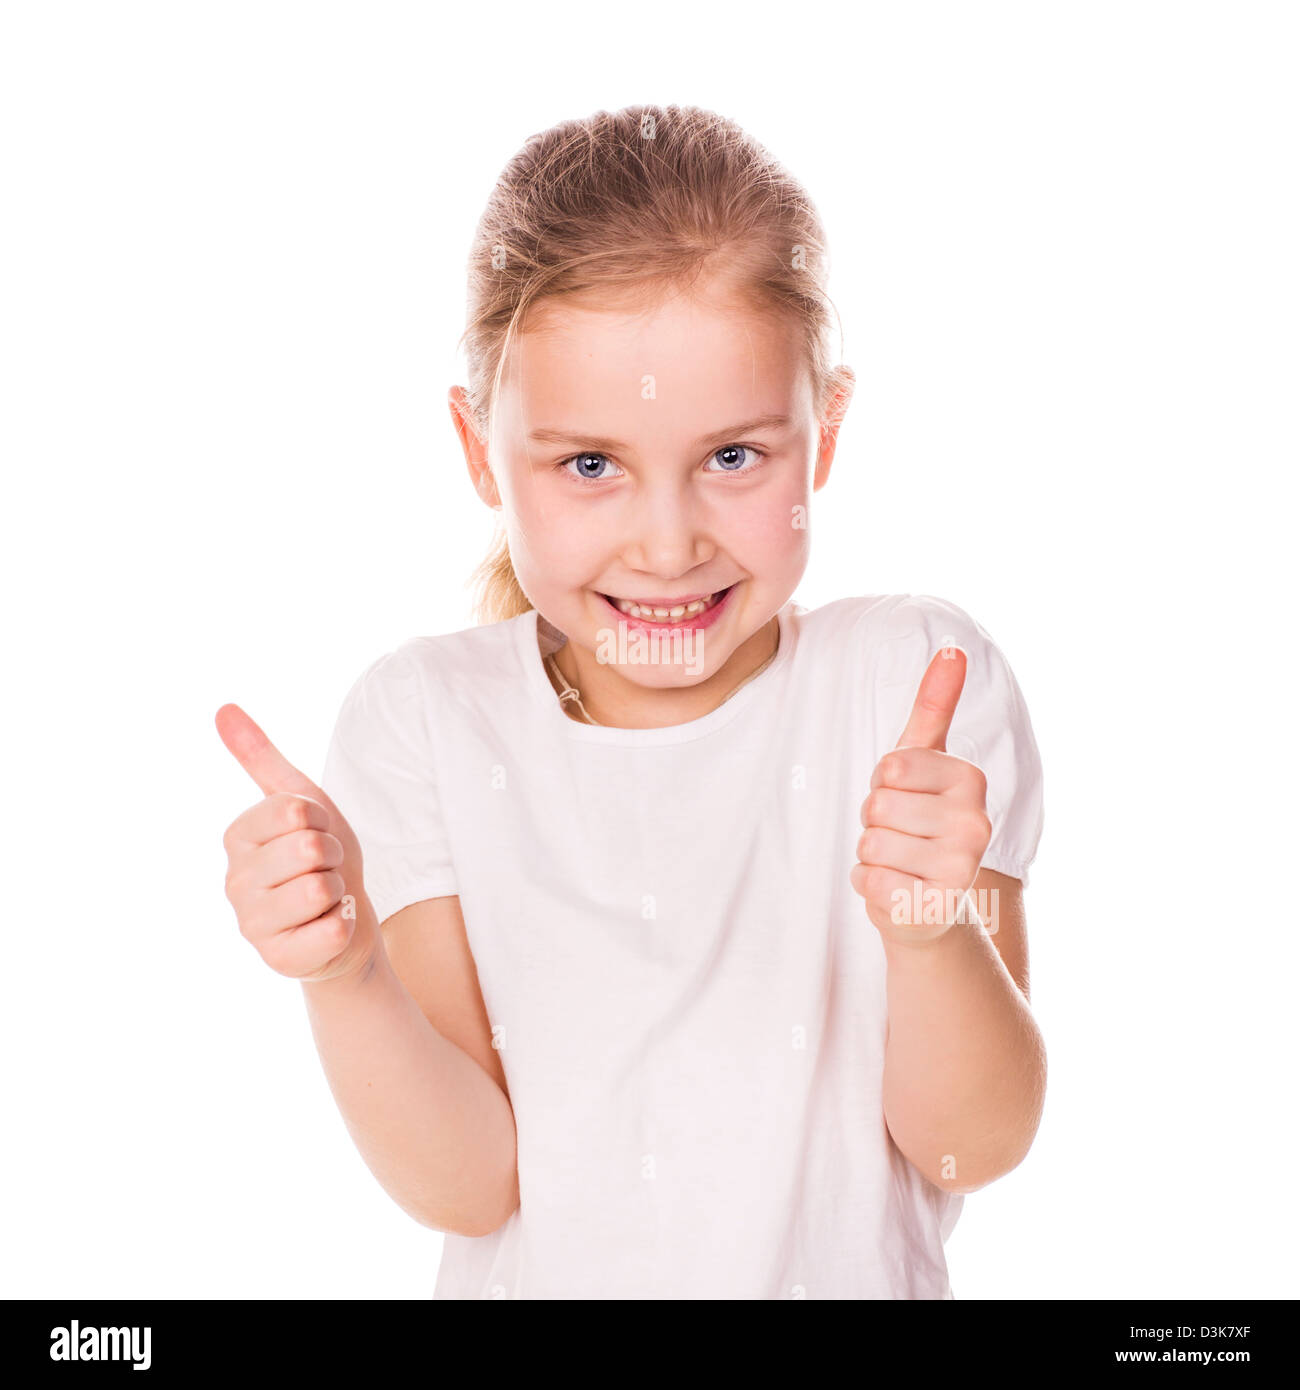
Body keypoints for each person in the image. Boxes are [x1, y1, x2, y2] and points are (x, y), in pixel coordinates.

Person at [216, 104, 1046, 1299]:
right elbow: (467, 1188)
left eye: (732, 457)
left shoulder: (910, 686)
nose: (666, 546)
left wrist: (929, 932)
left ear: (825, 433)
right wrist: (345, 977)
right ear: (476, 448)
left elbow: (976, 1142)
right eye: (589, 465)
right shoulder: (424, 723)